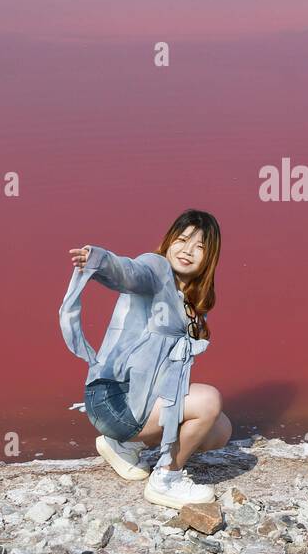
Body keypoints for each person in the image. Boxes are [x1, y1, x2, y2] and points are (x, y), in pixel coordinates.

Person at [60, 209, 232, 510]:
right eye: (182, 240)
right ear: (168, 242)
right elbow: (128, 272)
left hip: (139, 401)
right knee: (208, 401)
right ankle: (166, 479)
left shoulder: (189, 301)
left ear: (210, 258)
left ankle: (126, 446)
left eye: (199, 247)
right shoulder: (155, 270)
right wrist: (100, 260)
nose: (188, 250)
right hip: (113, 399)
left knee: (220, 430)